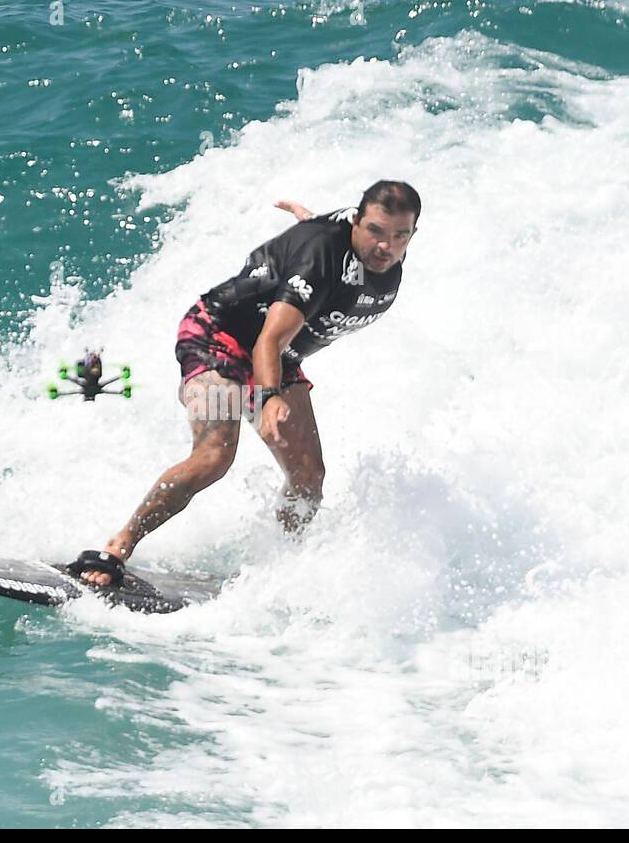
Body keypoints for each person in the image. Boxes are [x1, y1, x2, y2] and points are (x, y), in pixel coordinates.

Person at [68, 180, 421, 587]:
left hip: (279, 359)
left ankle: (282, 570)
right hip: (217, 337)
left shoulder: (366, 246)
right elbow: (270, 337)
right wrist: (268, 396)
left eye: (399, 235)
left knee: (309, 478)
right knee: (214, 456)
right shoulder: (318, 262)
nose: (386, 246)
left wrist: (305, 225)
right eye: (375, 231)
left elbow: (329, 231)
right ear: (358, 222)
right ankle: (118, 547)